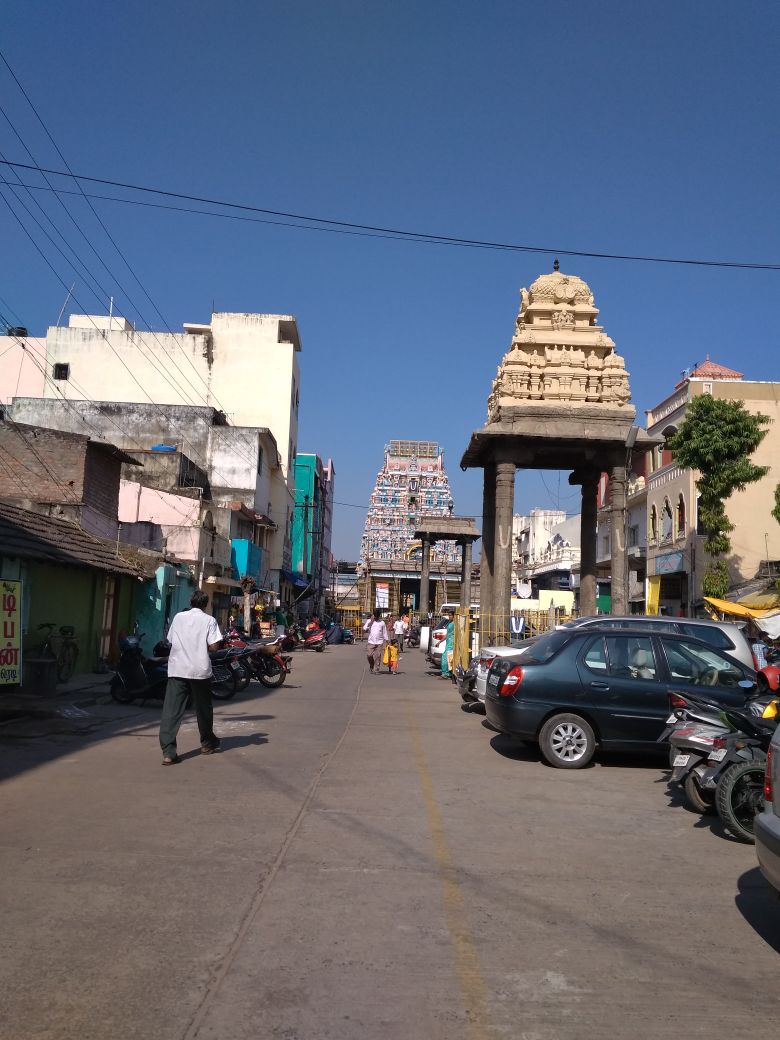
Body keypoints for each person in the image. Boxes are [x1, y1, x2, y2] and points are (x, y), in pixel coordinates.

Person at [159, 590, 223, 766]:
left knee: (171, 711)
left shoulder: (179, 617)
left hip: (178, 669)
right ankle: (207, 743)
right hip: (200, 670)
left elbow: (170, 639)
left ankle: (168, 753)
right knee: (203, 709)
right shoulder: (209, 620)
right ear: (206, 604)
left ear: (191, 601)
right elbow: (214, 647)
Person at [363, 608, 388, 674]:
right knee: (369, 655)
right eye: (375, 616)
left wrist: (387, 640)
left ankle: (376, 669)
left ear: (379, 616)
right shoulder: (369, 621)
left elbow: (384, 632)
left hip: (379, 642)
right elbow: (364, 628)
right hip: (371, 642)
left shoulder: (382, 623)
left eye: (377, 616)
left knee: (378, 656)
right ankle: (372, 665)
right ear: (373, 615)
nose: (376, 617)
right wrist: (371, 621)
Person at [440, 614, 454, 679]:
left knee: (445, 657)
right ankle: (447, 673)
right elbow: (447, 634)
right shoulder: (450, 623)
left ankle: (446, 673)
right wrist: (440, 641)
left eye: (450, 615)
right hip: (448, 642)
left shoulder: (454, 623)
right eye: (449, 615)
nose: (449, 617)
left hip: (452, 642)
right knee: (448, 657)